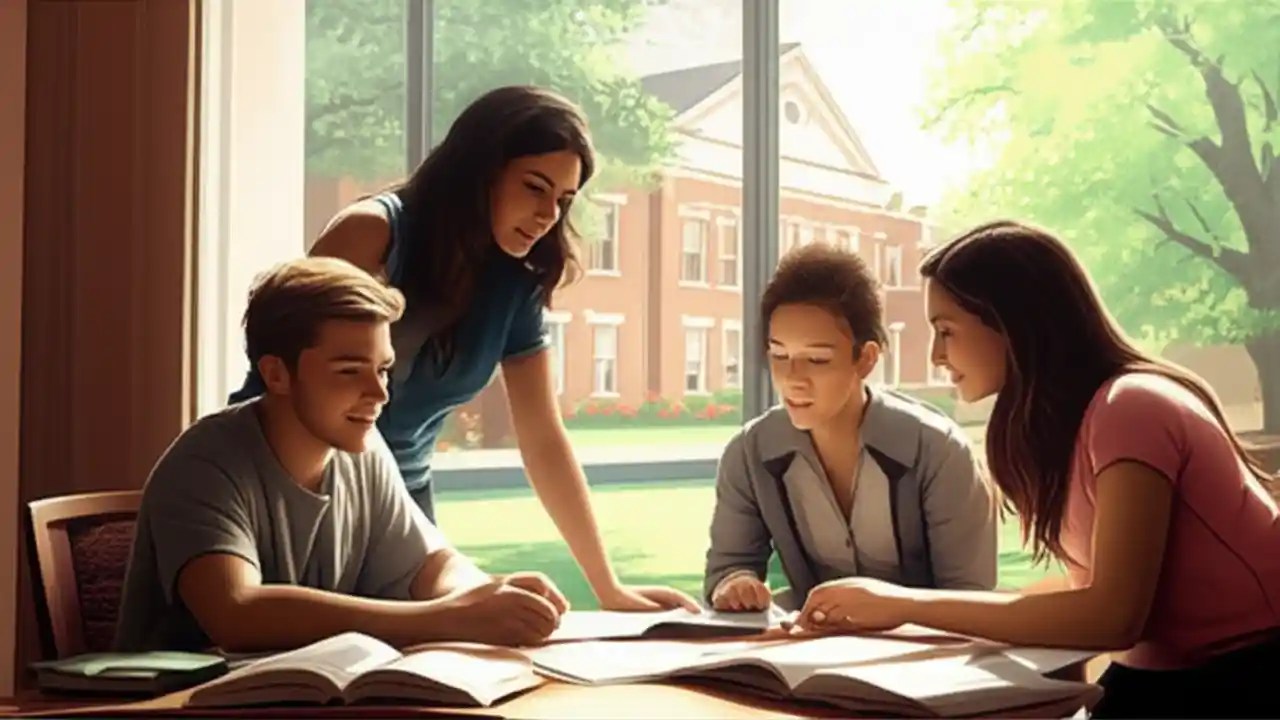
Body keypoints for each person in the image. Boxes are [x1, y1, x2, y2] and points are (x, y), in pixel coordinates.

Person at [228, 85, 695, 613]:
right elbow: (288, 371)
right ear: (480, 171)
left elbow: (543, 437)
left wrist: (609, 588)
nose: (548, 215)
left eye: (563, 200)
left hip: (403, 507)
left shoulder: (516, 280)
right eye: (534, 187)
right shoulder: (373, 233)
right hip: (286, 492)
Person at [792, 220, 1280, 718]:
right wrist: (896, 618)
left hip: (1248, 680)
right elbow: (1081, 592)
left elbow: (1112, 617)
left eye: (946, 331)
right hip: (1155, 679)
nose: (937, 355)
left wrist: (904, 605)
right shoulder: (1069, 426)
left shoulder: (1133, 407)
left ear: (1013, 324)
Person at [116, 257, 573, 653]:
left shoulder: (364, 450)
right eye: (350, 370)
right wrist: (448, 617)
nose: (378, 393)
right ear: (276, 374)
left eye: (383, 369)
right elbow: (236, 613)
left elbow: (431, 565)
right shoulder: (204, 464)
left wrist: (489, 596)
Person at [704, 243, 998, 613]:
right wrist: (735, 585)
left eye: (817, 359)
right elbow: (726, 570)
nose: (793, 379)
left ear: (866, 358)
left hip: (923, 660)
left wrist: (891, 610)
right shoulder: (749, 453)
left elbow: (970, 599)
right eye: (779, 356)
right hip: (808, 654)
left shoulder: (937, 451)